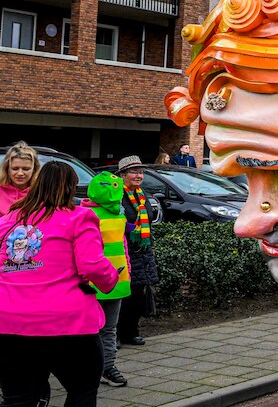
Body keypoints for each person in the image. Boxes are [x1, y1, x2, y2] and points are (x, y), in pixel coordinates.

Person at [0, 161, 120, 407]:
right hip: (67, 325)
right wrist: (111, 279)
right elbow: (92, 264)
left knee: (18, 398)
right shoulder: (79, 217)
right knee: (82, 389)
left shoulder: (7, 221)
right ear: (70, 188)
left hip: (10, 324)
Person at [82, 172, 132, 387]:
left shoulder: (119, 216)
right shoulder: (84, 215)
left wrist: (128, 270)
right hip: (90, 283)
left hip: (117, 280)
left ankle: (107, 367)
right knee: (89, 329)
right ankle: (88, 369)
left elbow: (122, 246)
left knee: (109, 328)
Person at [115, 156, 159, 346]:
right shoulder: (116, 195)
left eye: (141, 172)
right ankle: (114, 334)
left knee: (138, 294)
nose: (138, 175)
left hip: (142, 250)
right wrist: (132, 230)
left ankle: (131, 332)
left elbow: (148, 220)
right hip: (124, 250)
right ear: (122, 175)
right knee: (123, 294)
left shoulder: (142, 195)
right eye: (134, 172)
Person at [0, 142, 40, 216]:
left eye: (26, 169)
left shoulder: (41, 193)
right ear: (7, 169)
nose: (20, 173)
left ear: (34, 169)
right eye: (15, 169)